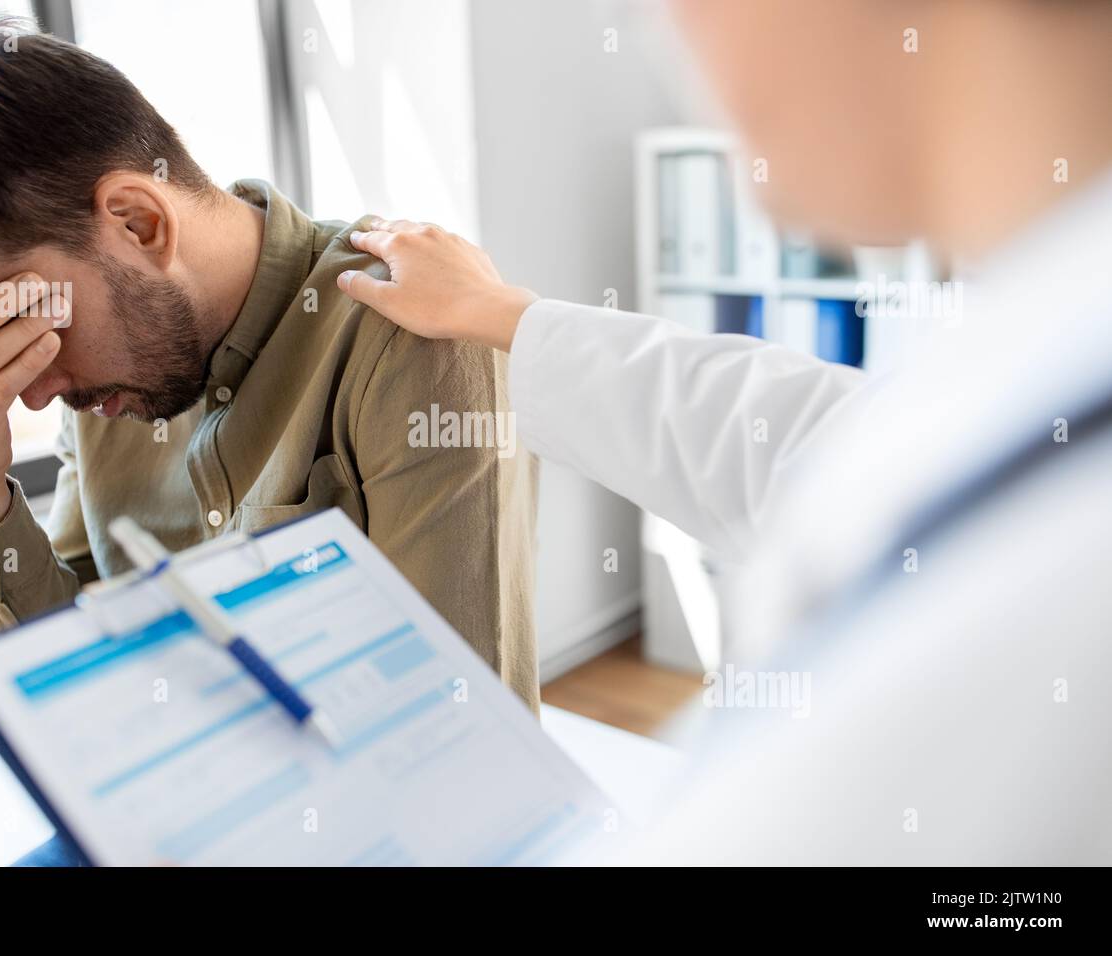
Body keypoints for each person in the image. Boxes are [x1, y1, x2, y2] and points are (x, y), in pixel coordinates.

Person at [336, 0, 1112, 862]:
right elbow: (802, 437)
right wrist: (509, 316)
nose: (668, 29)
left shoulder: (1054, 569)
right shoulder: (1034, 367)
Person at [0, 18, 538, 707]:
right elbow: (57, 694)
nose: (34, 394)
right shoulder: (101, 384)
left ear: (139, 223)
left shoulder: (413, 333)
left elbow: (462, 741)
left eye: (29, 315)